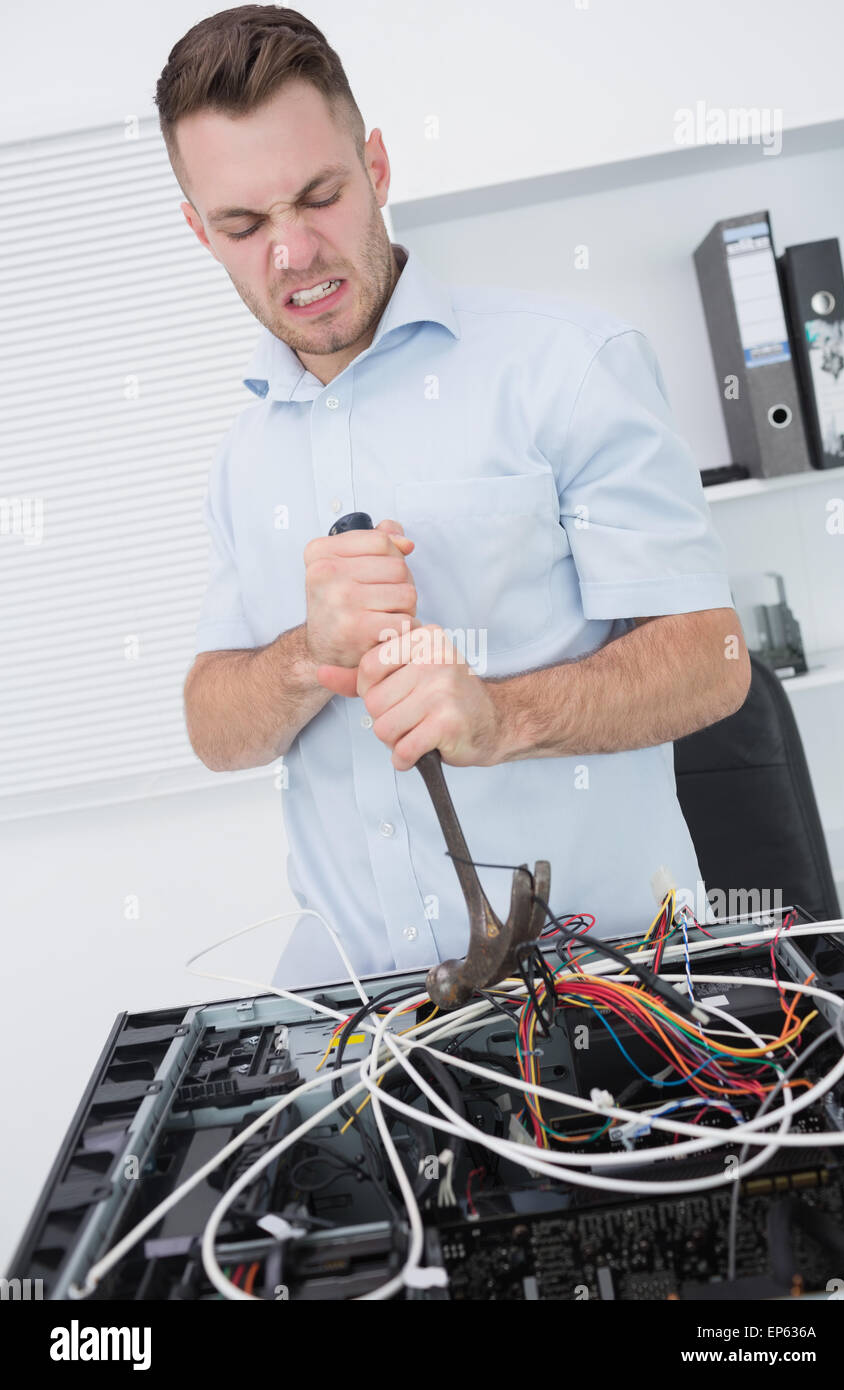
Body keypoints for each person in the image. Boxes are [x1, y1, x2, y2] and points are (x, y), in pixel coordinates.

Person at [155, 6, 750, 989]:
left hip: (601, 996)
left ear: (377, 167)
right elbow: (216, 728)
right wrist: (309, 653)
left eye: (319, 195)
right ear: (198, 231)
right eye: (245, 223)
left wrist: (499, 718)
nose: (294, 252)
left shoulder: (565, 366)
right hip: (359, 1028)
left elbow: (713, 660)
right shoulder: (242, 451)